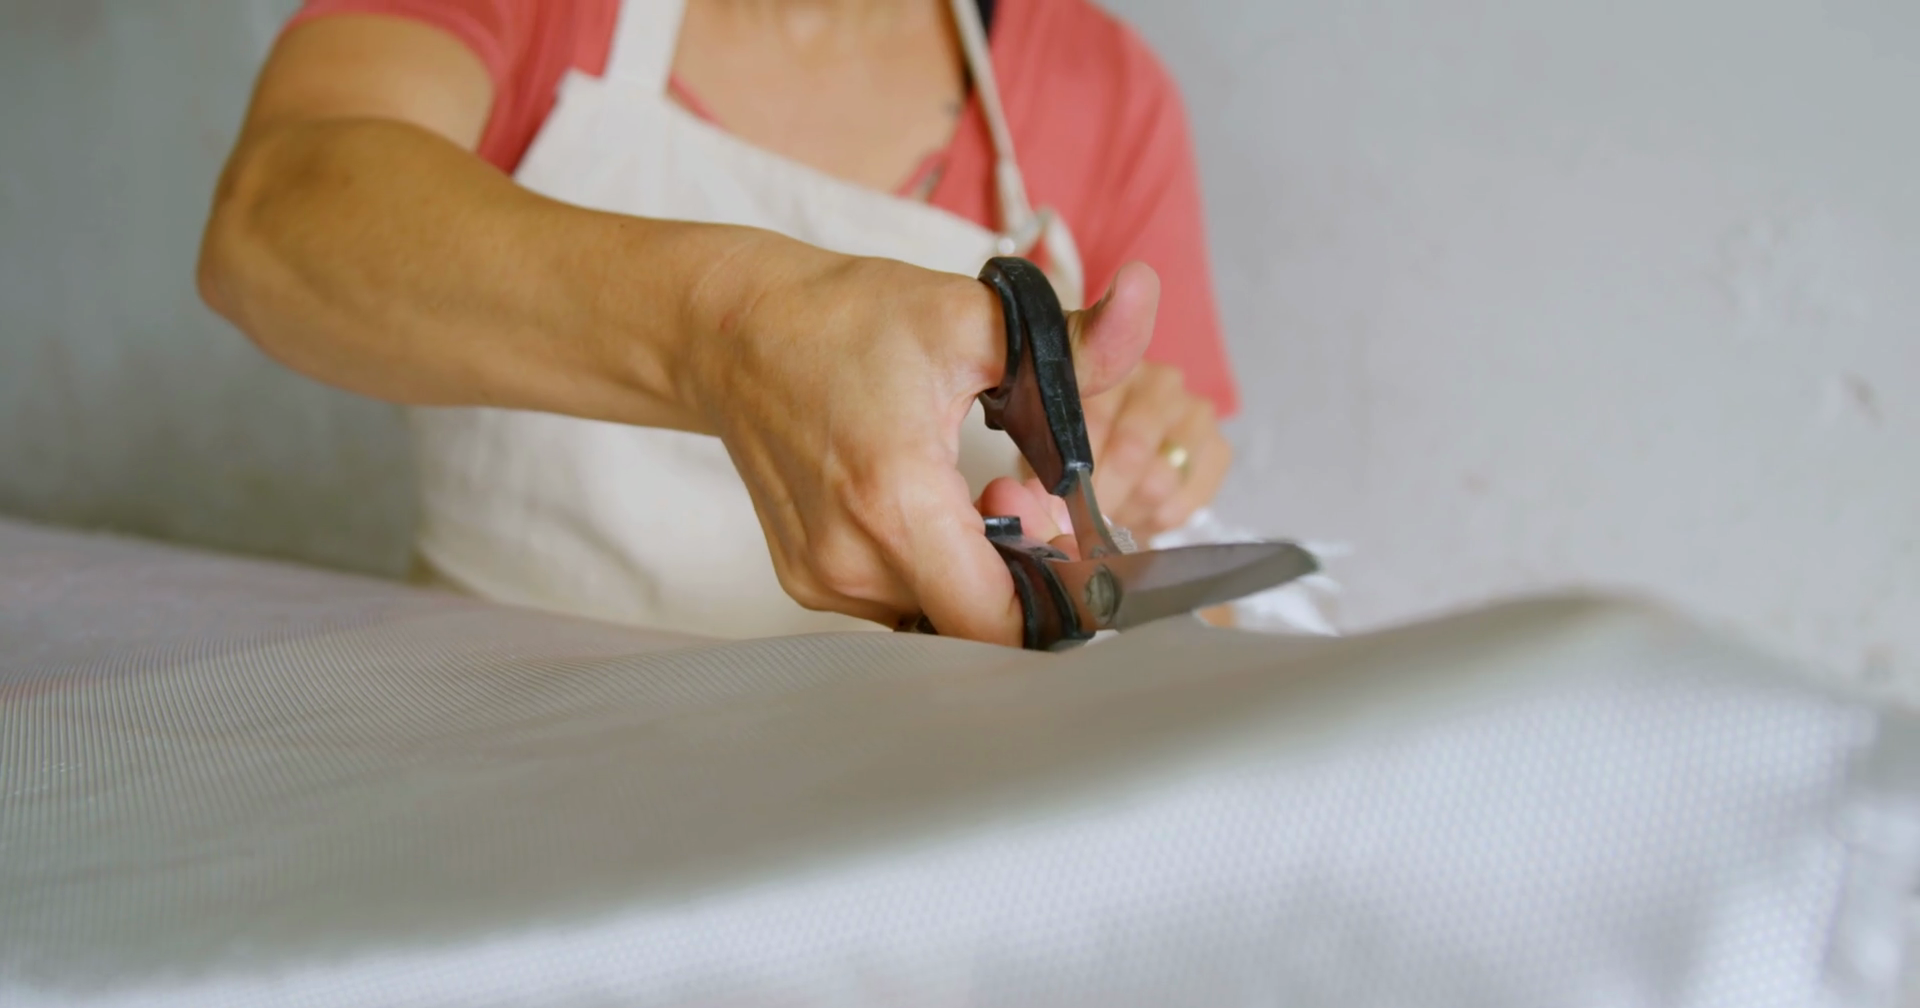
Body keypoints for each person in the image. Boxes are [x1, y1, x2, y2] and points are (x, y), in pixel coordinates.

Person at [198, 0, 1240, 647]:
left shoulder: (1105, 88)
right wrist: (732, 331)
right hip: (493, 770)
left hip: (905, 839)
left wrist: (1154, 469)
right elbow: (275, 219)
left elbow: (1178, 553)